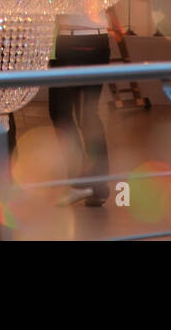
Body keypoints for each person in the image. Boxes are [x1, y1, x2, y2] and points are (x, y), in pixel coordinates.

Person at [49, 13, 112, 206]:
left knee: (61, 112)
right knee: (88, 115)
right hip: (98, 40)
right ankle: (98, 186)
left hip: (73, 41)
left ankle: (80, 182)